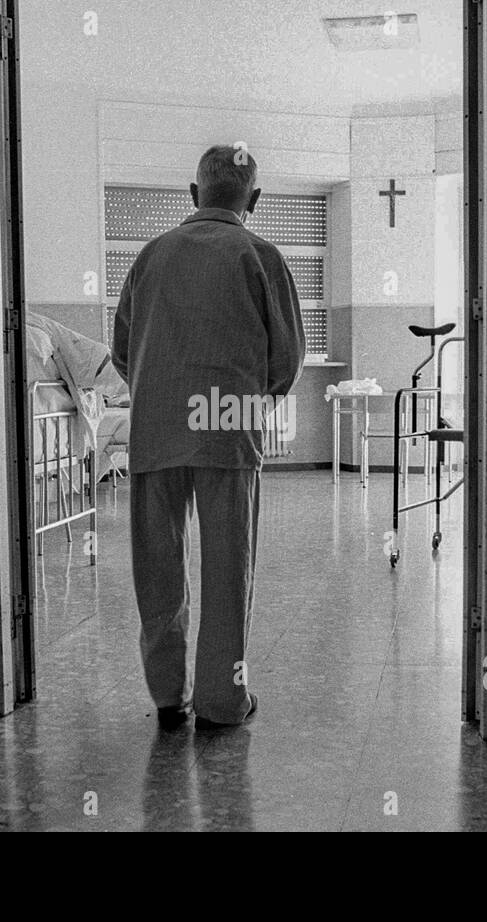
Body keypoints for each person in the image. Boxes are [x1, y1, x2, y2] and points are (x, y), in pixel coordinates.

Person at [112, 144, 305, 731]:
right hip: (228, 427)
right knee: (228, 571)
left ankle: (169, 697)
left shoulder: (150, 256)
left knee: (158, 569)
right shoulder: (261, 256)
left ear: (192, 196)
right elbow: (286, 359)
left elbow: (123, 351)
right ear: (256, 200)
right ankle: (223, 702)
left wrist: (164, 388)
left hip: (157, 427)